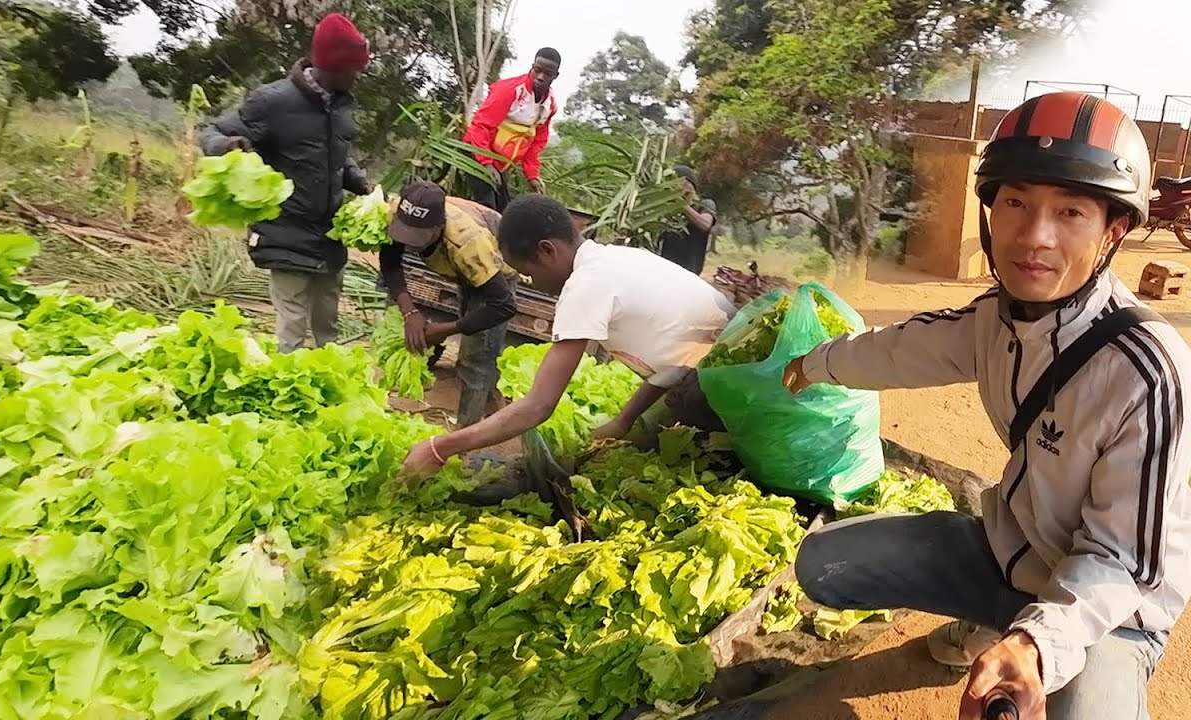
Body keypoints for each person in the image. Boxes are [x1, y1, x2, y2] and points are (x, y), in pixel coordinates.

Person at [783, 92, 1191, 720]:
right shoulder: (993, 320)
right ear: (990, 212)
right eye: (1016, 202)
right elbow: (904, 348)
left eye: (1071, 212)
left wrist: (1036, 644)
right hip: (1012, 548)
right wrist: (815, 363)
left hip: (1113, 606)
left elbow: (1124, 562)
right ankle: (995, 617)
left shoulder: (1148, 373)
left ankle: (1017, 631)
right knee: (824, 563)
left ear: (1112, 232)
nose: (1034, 237)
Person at [399, 195, 736, 476]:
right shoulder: (620, 258)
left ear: (548, 251)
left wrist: (439, 447)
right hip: (732, 371)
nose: (531, 282)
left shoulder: (585, 284)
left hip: (725, 387)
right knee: (639, 449)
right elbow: (677, 357)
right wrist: (623, 420)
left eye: (528, 272)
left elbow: (538, 406)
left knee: (688, 460)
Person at [200, 13, 372, 353]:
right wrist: (227, 147)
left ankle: (333, 397)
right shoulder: (273, 101)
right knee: (291, 332)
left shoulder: (341, 106)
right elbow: (212, 131)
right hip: (285, 233)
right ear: (334, 67)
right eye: (355, 69)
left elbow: (340, 155)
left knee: (329, 331)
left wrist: (361, 184)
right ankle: (286, 395)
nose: (359, 76)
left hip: (329, 238)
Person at [380, 180, 518, 426]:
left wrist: (444, 330)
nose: (409, 242)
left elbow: (503, 305)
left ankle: (466, 435)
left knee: (475, 358)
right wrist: (410, 312)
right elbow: (390, 261)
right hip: (462, 269)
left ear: (439, 226)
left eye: (418, 236)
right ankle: (491, 399)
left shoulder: (469, 245)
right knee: (481, 347)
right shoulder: (397, 212)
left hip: (496, 273)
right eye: (405, 231)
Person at [461, 48, 561, 211]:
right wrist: (486, 163)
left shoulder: (549, 107)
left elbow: (535, 143)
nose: (541, 77)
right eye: (537, 70)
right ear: (532, 67)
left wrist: (532, 176)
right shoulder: (509, 90)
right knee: (487, 208)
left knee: (504, 210)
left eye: (548, 73)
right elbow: (481, 126)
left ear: (555, 76)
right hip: (477, 153)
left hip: (499, 163)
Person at [658, 165, 718, 276]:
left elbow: (705, 224)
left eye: (676, 182)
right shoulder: (669, 209)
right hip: (665, 270)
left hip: (689, 273)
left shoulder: (705, 204)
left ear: (689, 184)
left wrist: (680, 203)